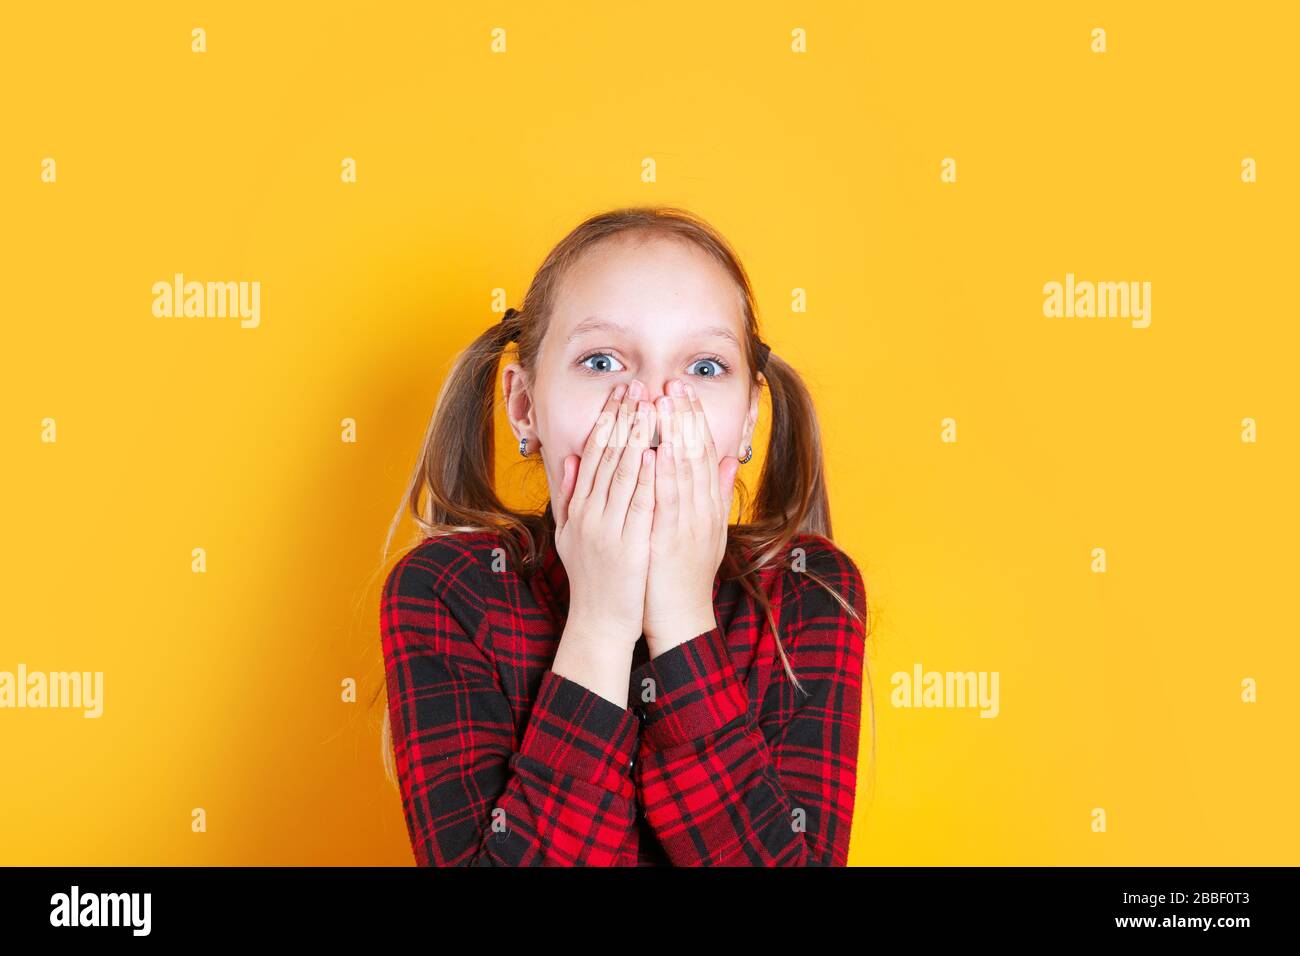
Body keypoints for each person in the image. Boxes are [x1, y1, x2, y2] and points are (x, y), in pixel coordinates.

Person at [377, 205, 872, 865]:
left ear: (748, 419)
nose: (652, 405)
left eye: (703, 368)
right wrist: (601, 623)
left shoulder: (810, 592)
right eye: (603, 361)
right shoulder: (448, 591)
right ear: (524, 406)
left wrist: (684, 618)